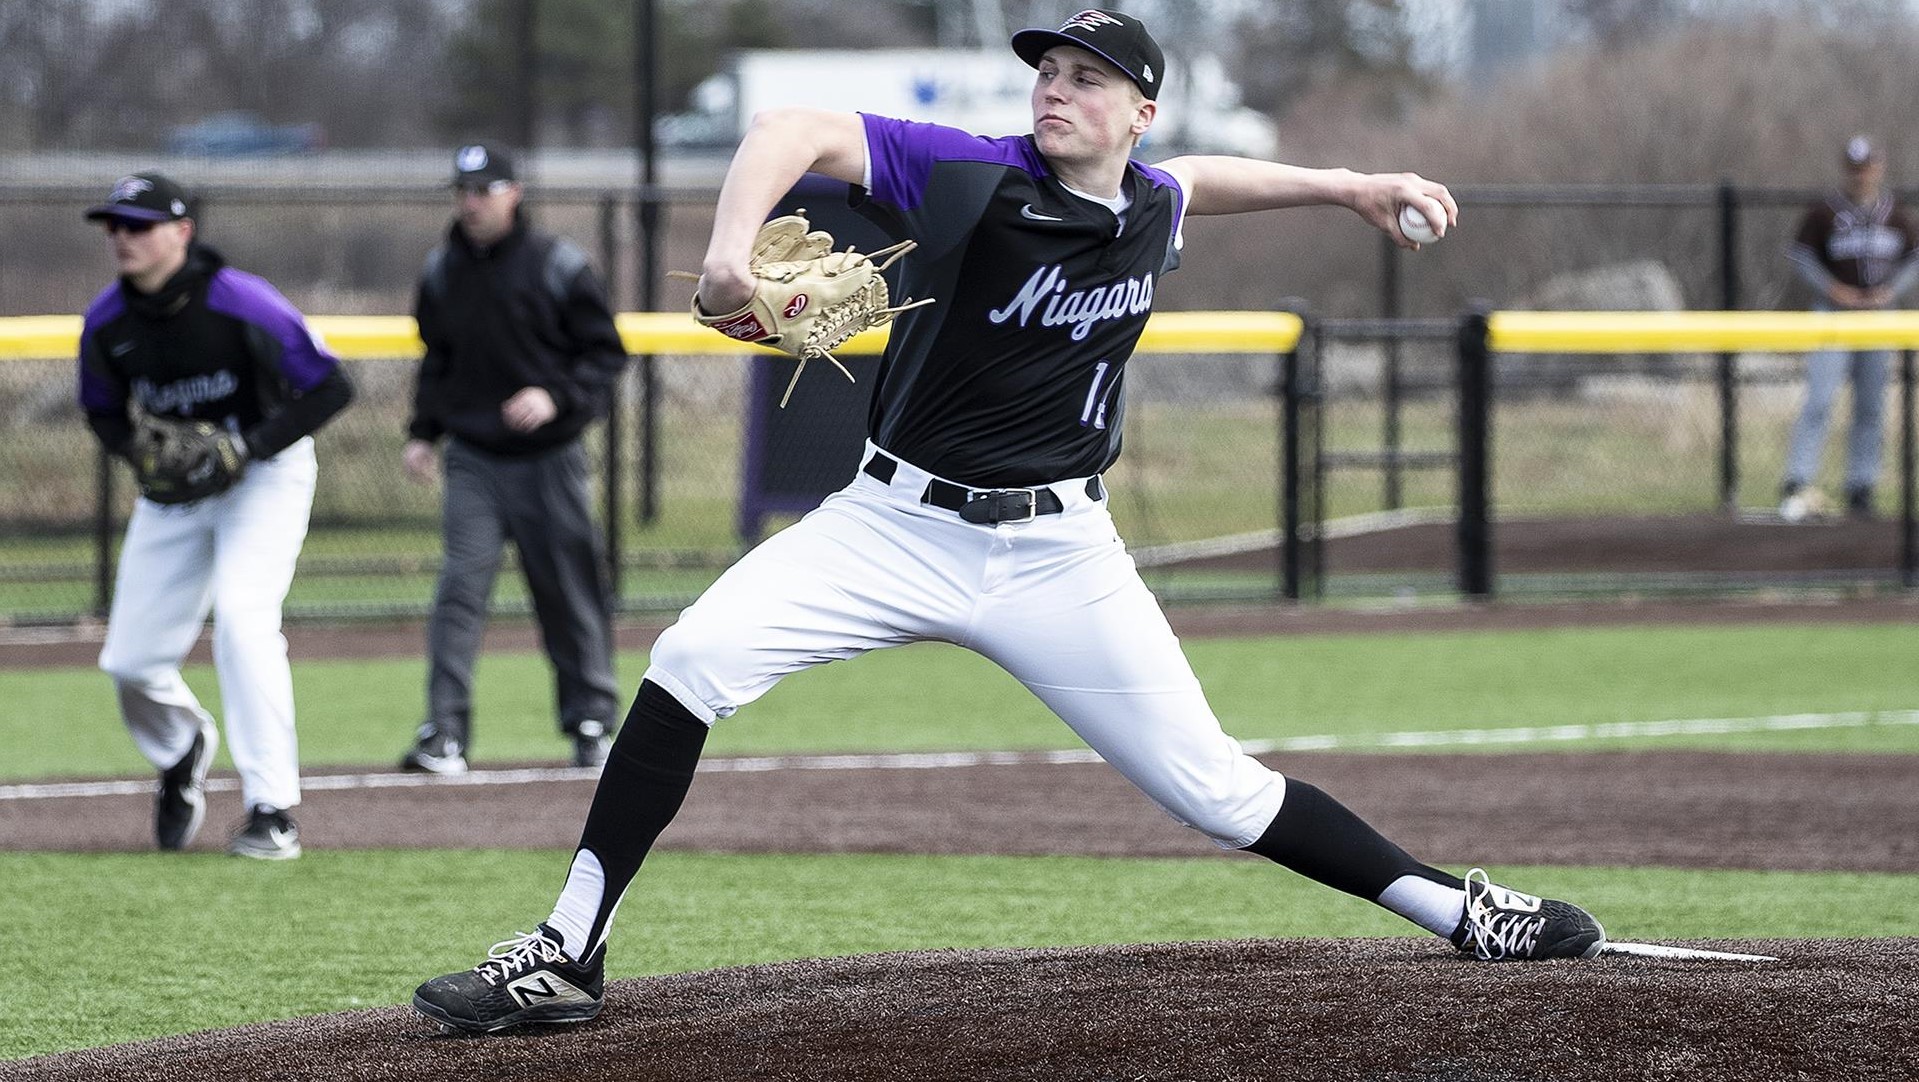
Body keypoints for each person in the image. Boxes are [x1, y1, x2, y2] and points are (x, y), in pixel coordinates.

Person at [412, 11, 1606, 1034]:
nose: (1056, 88)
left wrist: (1350, 187)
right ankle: (570, 944)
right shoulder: (972, 173)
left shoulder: (1148, 203)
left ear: (1137, 111)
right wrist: (727, 260)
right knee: (686, 660)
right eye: (1046, 70)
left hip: (1059, 555)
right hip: (889, 526)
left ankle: (1461, 910)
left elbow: (1204, 179)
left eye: (1087, 78)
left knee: (1218, 791)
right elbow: (789, 132)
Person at [78, 172, 354, 860]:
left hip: (266, 474)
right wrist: (141, 454)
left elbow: (331, 386)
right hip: (176, 493)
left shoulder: (240, 302)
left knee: (242, 617)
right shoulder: (107, 321)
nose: (122, 238)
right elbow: (104, 412)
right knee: (131, 659)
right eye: (113, 226)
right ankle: (182, 745)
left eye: (137, 225)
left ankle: (271, 809)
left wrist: (248, 447)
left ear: (181, 231)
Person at [399, 144, 627, 775]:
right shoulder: (442, 270)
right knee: (460, 591)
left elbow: (605, 356)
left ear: (513, 193)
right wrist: (422, 433)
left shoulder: (557, 264)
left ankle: (590, 722)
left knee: (567, 590)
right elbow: (438, 361)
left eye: (484, 190)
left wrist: (554, 396)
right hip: (473, 457)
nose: (471, 202)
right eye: (463, 191)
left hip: (549, 459)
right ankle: (444, 733)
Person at [1779, 135, 1919, 523]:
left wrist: (1892, 291)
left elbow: (1913, 257)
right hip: (1834, 315)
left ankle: (1861, 486)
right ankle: (1797, 481)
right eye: (1855, 169)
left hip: (1878, 316)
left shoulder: (1895, 212)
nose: (1862, 176)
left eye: (1868, 167)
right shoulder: (1825, 211)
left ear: (1879, 167)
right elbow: (1802, 256)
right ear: (1847, 171)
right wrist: (1832, 288)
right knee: (1820, 399)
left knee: (1871, 405)